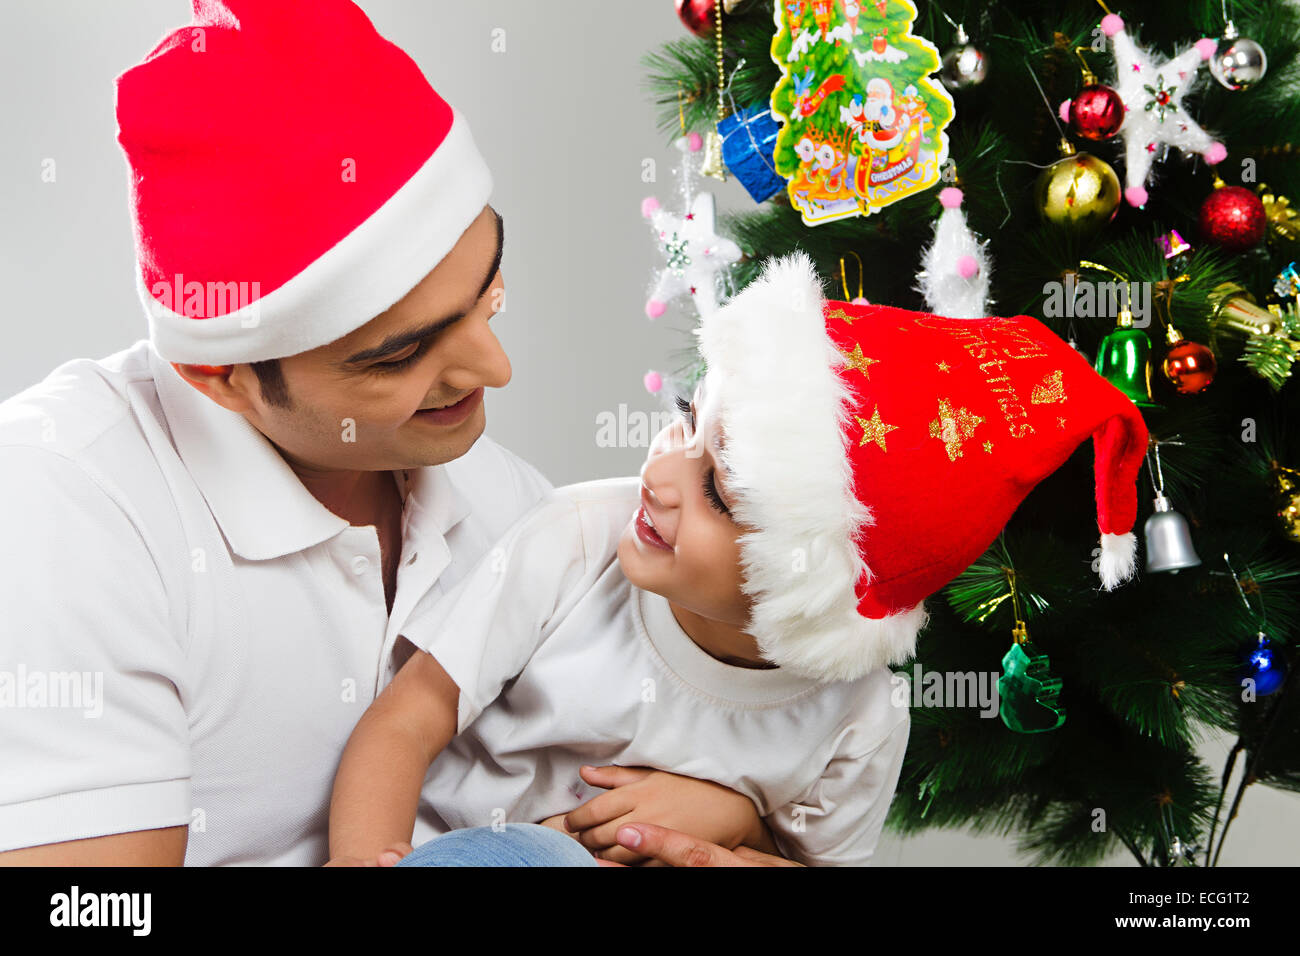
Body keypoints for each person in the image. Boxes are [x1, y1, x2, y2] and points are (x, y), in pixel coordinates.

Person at [0, 0, 760, 867]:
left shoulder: (511, 508)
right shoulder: (63, 504)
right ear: (224, 376)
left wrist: (732, 823)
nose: (495, 369)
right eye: (401, 354)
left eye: (486, 290)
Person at [327, 253, 1151, 867]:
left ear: (811, 582)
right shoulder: (575, 539)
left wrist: (734, 821)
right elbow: (406, 720)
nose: (657, 476)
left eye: (718, 493)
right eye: (687, 419)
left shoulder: (859, 715)